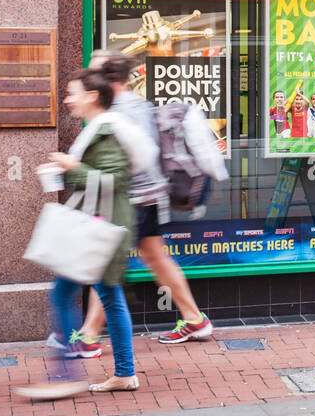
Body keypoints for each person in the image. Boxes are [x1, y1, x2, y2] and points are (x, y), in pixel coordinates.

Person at [17, 68, 145, 399]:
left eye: (72, 92)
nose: (67, 99)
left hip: (99, 229)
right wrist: (64, 170)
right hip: (100, 227)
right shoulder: (96, 130)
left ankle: (66, 374)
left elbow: (115, 180)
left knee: (64, 296)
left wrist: (72, 167)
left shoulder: (106, 132)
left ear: (91, 96)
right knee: (109, 299)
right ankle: (124, 373)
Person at [75, 51, 215, 346]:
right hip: (151, 199)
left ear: (108, 79)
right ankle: (194, 319)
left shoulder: (118, 111)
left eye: (94, 73)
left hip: (132, 200)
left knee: (107, 266)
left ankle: (87, 336)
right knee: (156, 258)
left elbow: (125, 161)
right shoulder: (137, 104)